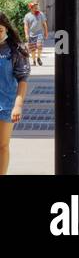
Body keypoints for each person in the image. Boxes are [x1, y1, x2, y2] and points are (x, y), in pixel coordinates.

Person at [0, 13, 29, 175]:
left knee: (2, 145)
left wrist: (18, 105)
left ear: (6, 30)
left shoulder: (15, 50)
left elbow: (22, 79)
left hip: (6, 105)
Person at [23, 2, 48, 66]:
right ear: (31, 8)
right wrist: (26, 34)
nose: (36, 7)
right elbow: (26, 26)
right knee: (33, 49)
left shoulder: (41, 14)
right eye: (34, 6)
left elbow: (44, 24)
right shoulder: (27, 16)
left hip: (39, 33)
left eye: (37, 6)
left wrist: (46, 32)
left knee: (39, 46)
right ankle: (34, 61)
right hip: (31, 34)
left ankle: (38, 58)